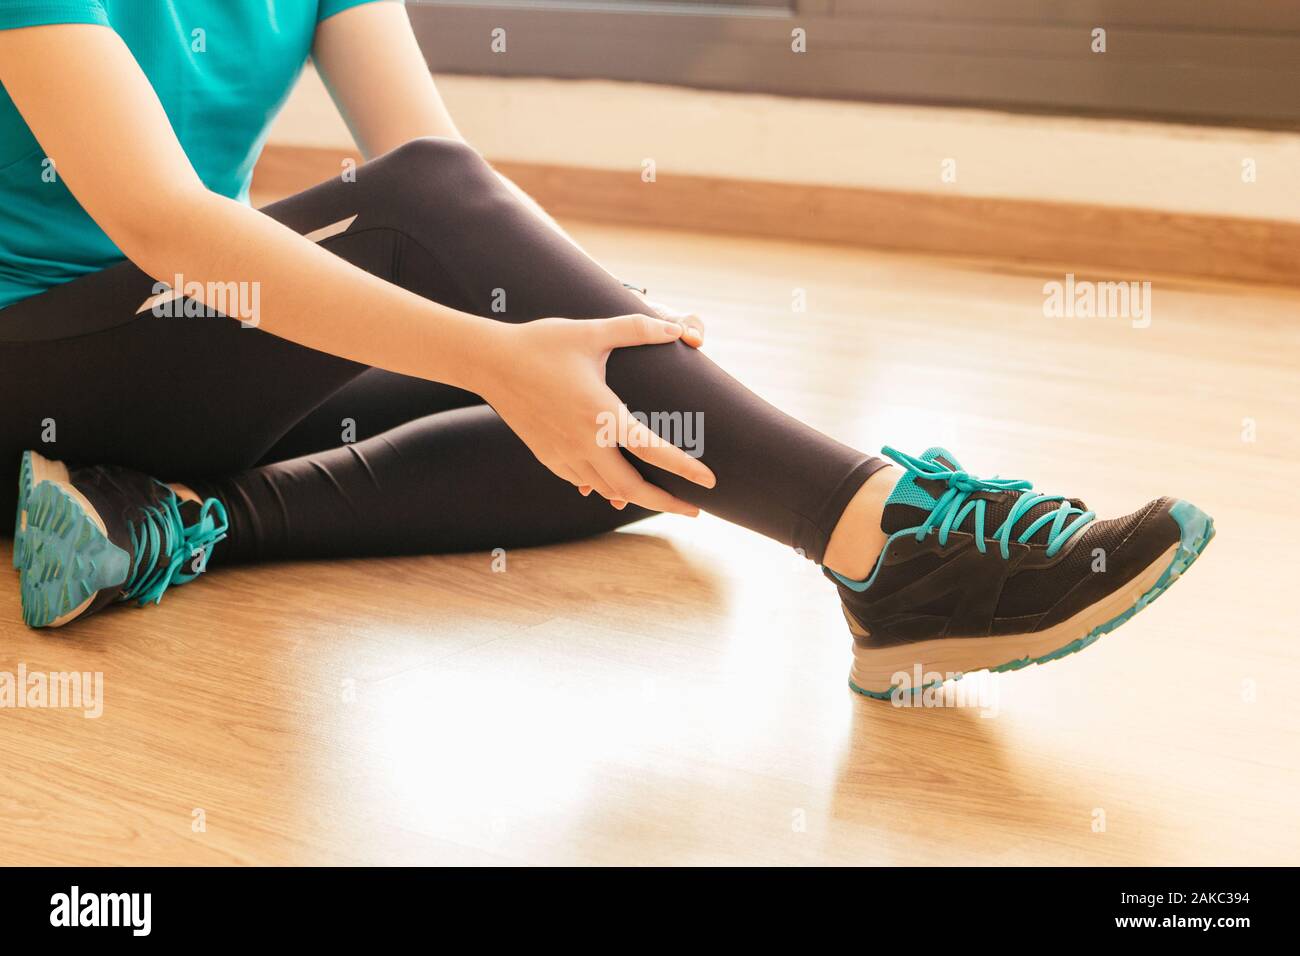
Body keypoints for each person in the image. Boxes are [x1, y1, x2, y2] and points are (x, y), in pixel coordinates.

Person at [0, 0, 1212, 699]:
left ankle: (175, 518)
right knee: (554, 374)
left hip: (178, 366)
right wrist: (502, 353)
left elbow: (443, 176)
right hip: (36, 366)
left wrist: (563, 336)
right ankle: (882, 537)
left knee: (619, 436)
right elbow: (162, 220)